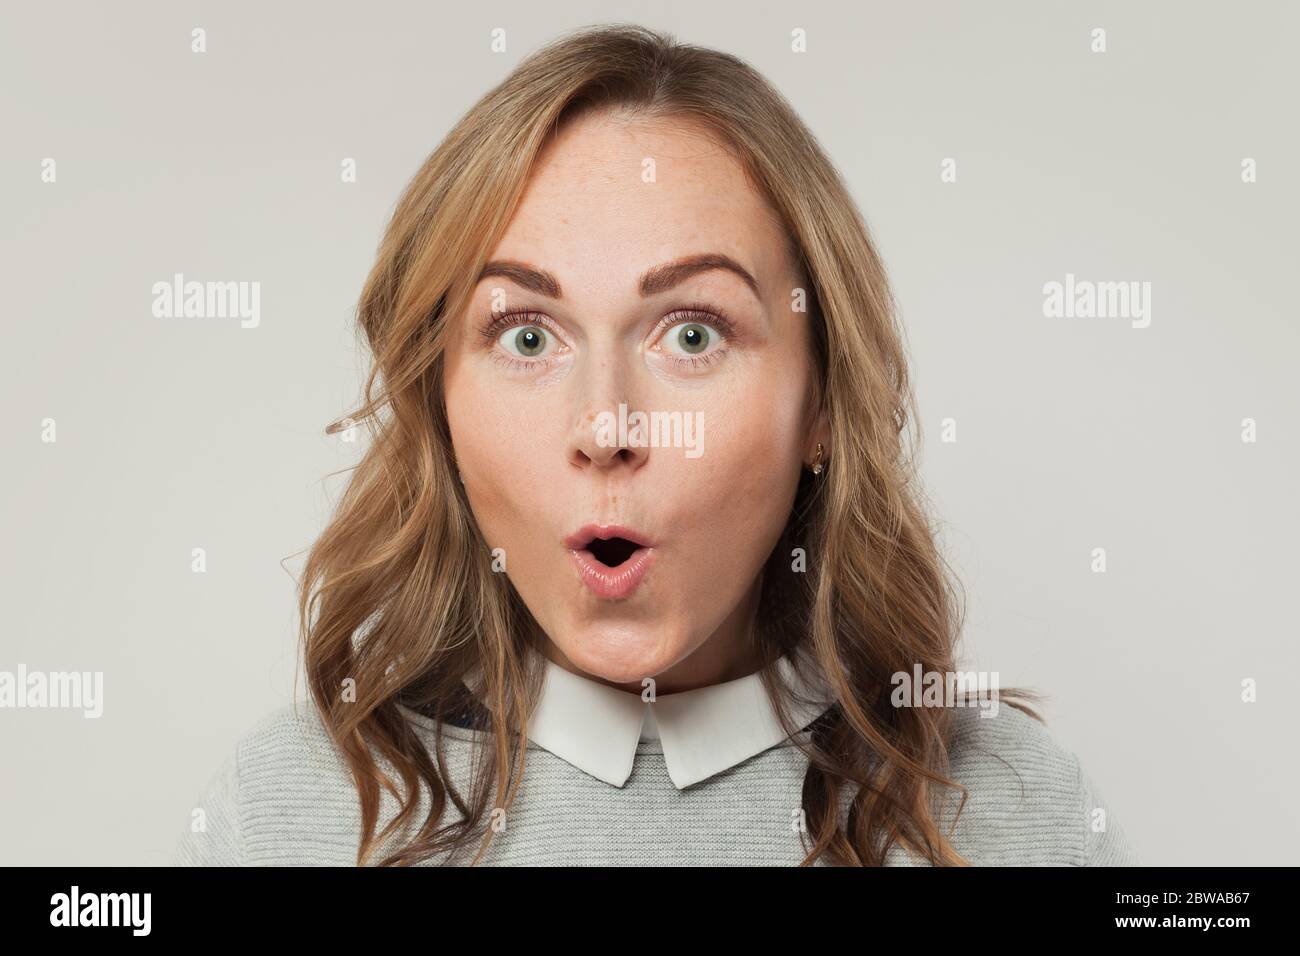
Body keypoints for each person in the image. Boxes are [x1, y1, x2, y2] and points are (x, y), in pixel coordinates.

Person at [173, 23, 1135, 867]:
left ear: (823, 405)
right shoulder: (285, 815)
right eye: (527, 336)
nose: (606, 429)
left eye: (692, 335)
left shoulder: (1014, 812)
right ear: (440, 404)